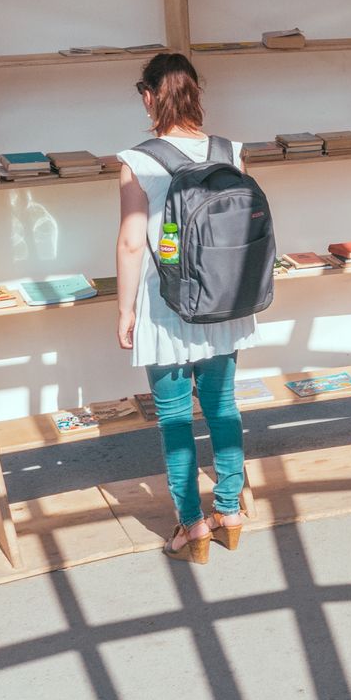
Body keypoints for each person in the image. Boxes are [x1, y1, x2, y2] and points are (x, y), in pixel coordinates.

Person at [114, 53, 256, 564]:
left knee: (174, 419)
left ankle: (191, 527)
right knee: (222, 408)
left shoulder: (139, 159)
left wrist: (125, 309)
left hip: (165, 306)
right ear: (197, 93)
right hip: (225, 303)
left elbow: (133, 243)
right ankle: (230, 511)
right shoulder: (232, 150)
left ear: (149, 95)